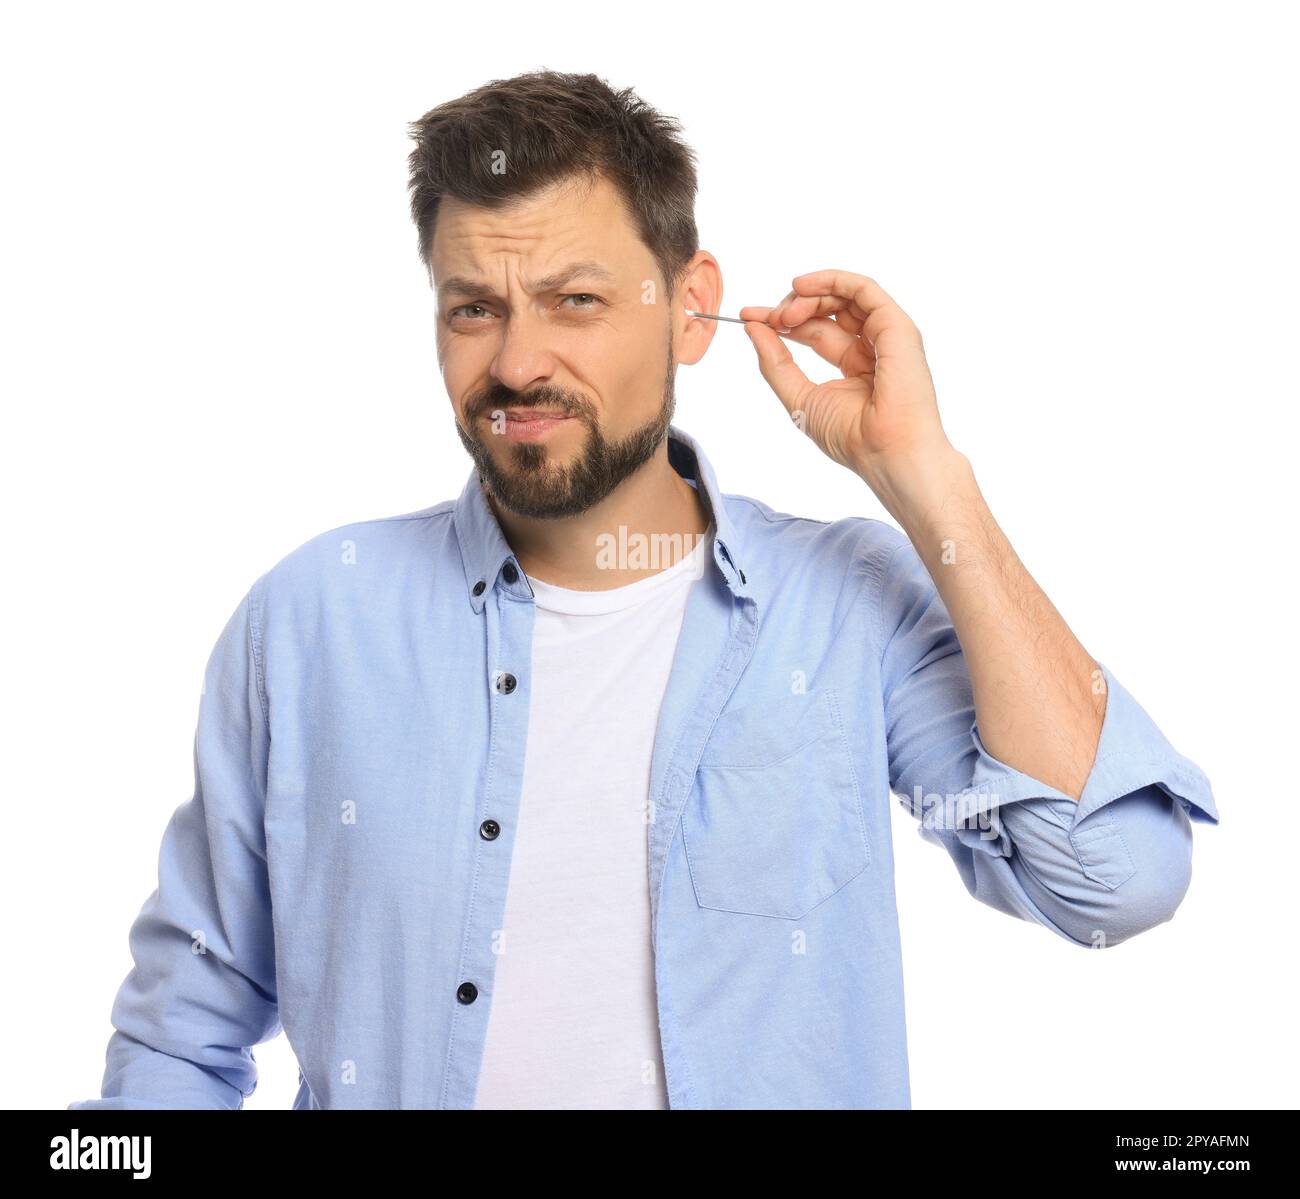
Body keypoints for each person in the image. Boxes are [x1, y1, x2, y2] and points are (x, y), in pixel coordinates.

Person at [70, 69, 1218, 1111]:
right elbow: (181, 1032)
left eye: (574, 299)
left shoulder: (844, 605)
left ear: (687, 303)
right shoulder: (312, 618)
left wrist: (930, 483)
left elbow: (1114, 880)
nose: (517, 362)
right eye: (474, 306)